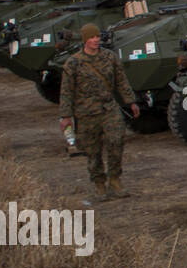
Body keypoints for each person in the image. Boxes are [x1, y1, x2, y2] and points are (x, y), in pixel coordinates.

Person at [58, 23, 141, 204]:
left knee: (116, 141)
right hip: (86, 113)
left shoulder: (109, 57)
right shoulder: (73, 63)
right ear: (84, 40)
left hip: (108, 109)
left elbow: (121, 81)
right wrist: (65, 116)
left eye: (97, 37)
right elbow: (66, 91)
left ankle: (115, 179)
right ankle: (99, 183)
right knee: (92, 151)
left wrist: (131, 102)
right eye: (91, 37)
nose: (95, 40)